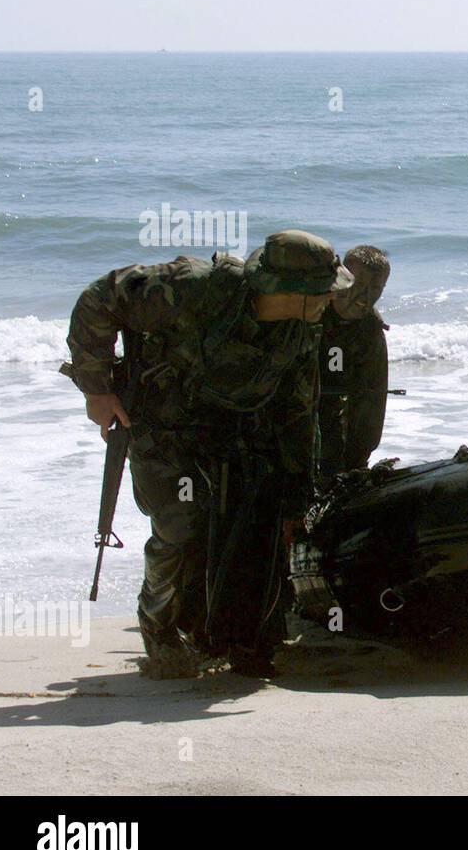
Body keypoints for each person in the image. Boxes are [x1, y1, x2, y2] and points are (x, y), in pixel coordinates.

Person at [65, 230, 352, 677]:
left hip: (234, 428)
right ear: (288, 291)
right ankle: (157, 626)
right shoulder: (194, 286)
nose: (329, 300)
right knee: (180, 522)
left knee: (246, 525)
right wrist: (96, 388)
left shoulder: (302, 329)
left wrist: (297, 497)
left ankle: (217, 629)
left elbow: (299, 410)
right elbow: (100, 298)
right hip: (164, 424)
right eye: (321, 291)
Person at [318, 245, 390, 481]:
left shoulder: (371, 330)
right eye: (359, 285)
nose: (366, 296)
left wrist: (359, 462)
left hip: (342, 412)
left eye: (376, 288)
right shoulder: (313, 310)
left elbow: (373, 401)